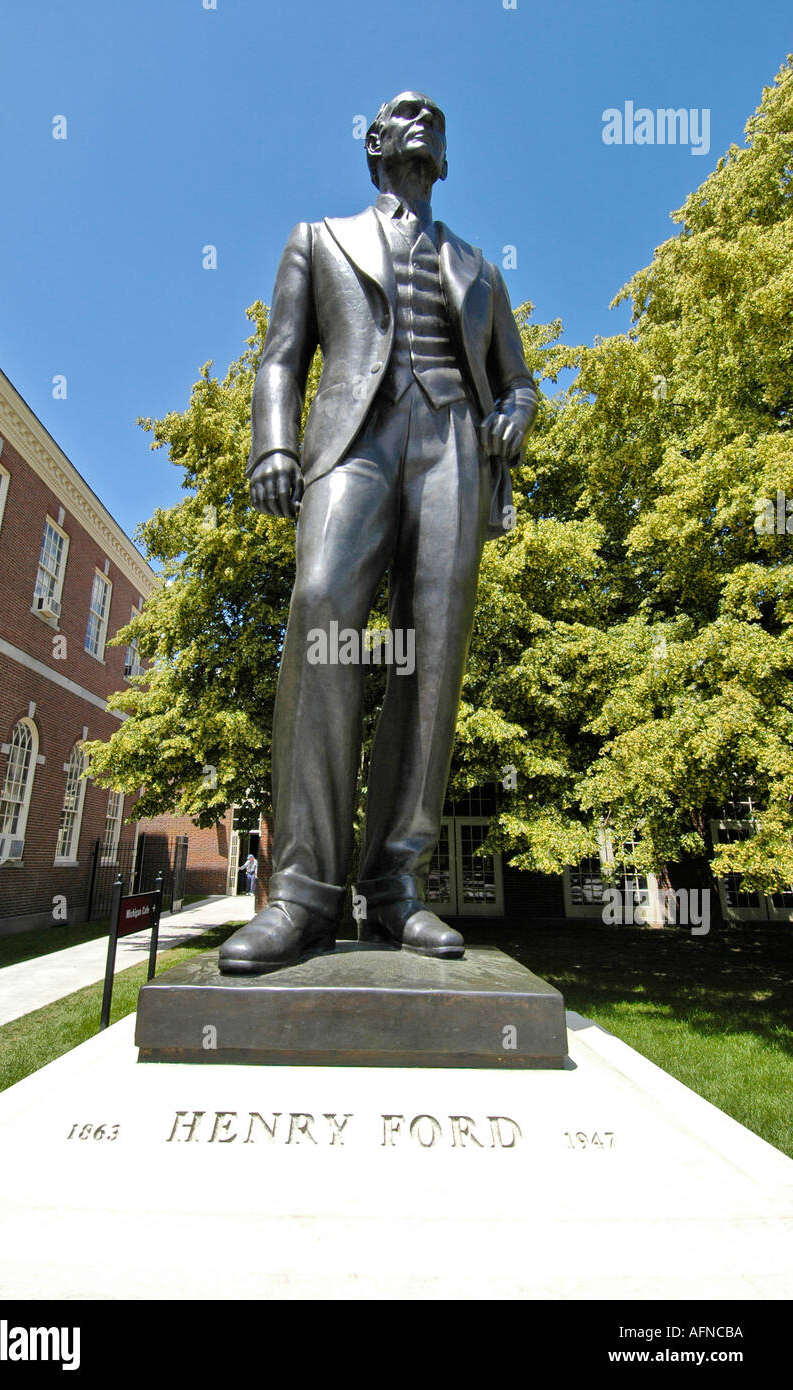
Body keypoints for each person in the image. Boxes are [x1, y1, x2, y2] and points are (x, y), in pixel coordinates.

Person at [219, 92, 537, 974]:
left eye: (439, 118)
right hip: (352, 445)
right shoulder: (318, 239)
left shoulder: (479, 267)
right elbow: (282, 356)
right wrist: (272, 445)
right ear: (375, 144)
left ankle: (396, 888)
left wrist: (515, 412)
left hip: (452, 454)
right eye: (408, 114)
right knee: (320, 607)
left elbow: (518, 380)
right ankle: (305, 894)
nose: (428, 121)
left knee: (430, 658)